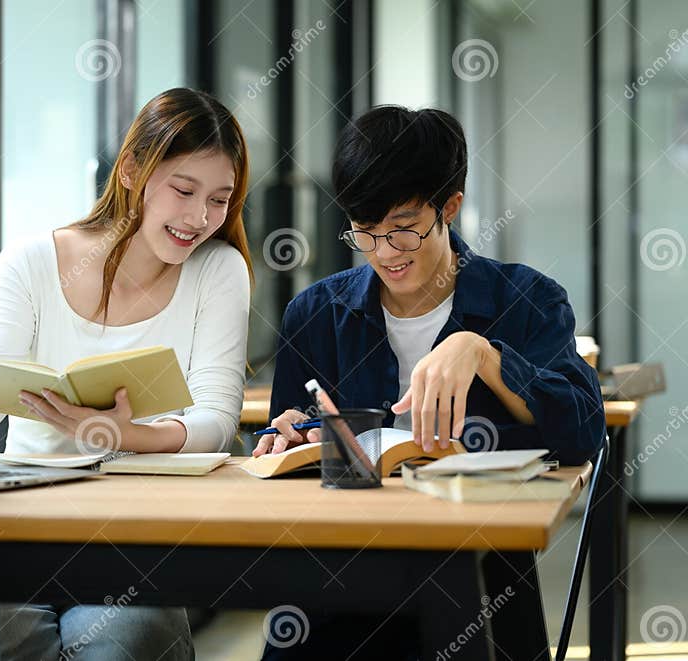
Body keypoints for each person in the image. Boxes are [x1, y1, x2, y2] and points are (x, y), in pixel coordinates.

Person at [0, 87, 253, 661]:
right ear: (132, 170)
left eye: (219, 200)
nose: (199, 218)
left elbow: (217, 422)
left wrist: (128, 436)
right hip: (18, 534)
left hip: (137, 542)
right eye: (183, 191)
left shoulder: (218, 271)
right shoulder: (30, 263)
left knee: (128, 645)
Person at [255, 105, 605, 659]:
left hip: (478, 583)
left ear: (450, 207)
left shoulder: (525, 301)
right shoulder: (315, 315)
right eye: (365, 232)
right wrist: (290, 439)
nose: (384, 253)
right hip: (337, 588)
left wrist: (483, 354)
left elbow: (582, 432)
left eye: (403, 230)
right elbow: (285, 462)